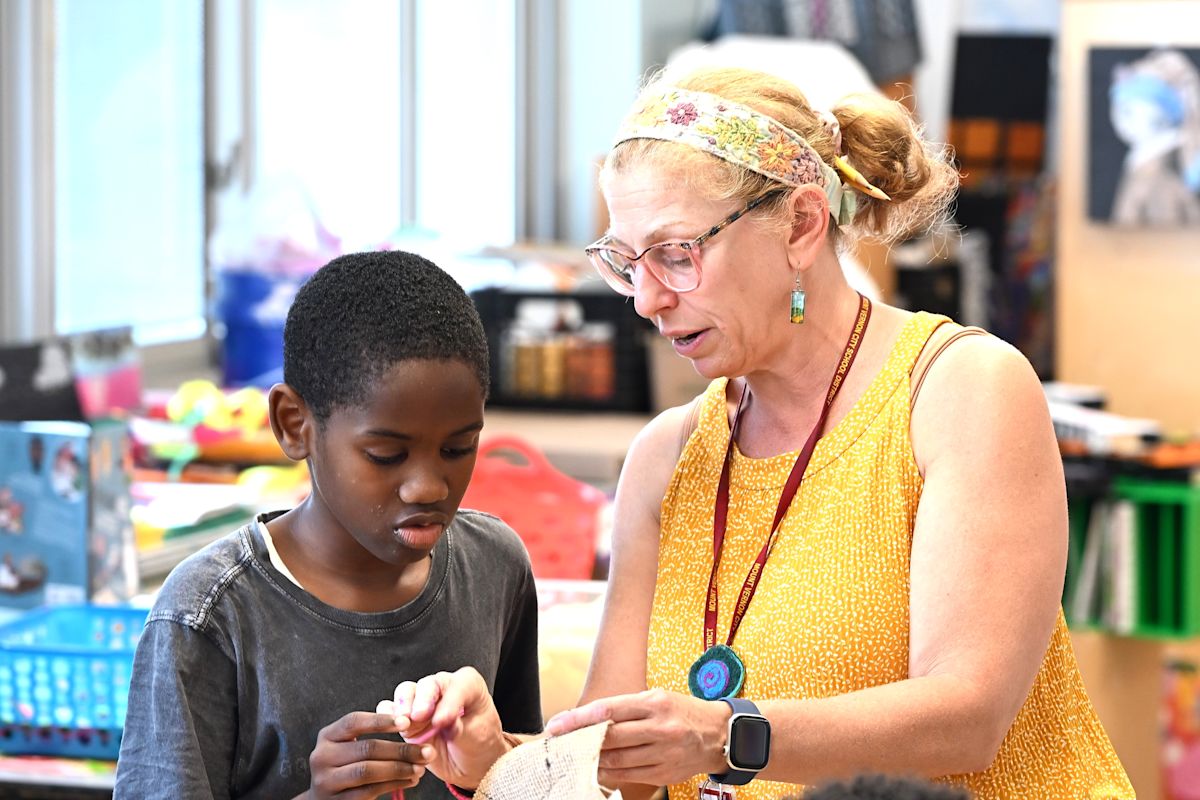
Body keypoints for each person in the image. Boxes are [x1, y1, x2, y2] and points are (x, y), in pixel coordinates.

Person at [398, 65, 1135, 800]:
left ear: (802, 225)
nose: (647, 300)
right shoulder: (668, 456)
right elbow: (618, 765)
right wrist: (495, 760)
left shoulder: (957, 390)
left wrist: (722, 737)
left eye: (678, 254)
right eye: (626, 262)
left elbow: (968, 717)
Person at [114, 250, 542, 799]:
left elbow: (526, 775)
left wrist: (493, 767)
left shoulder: (495, 567)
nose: (429, 487)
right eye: (386, 454)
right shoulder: (210, 616)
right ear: (296, 426)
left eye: (458, 448)